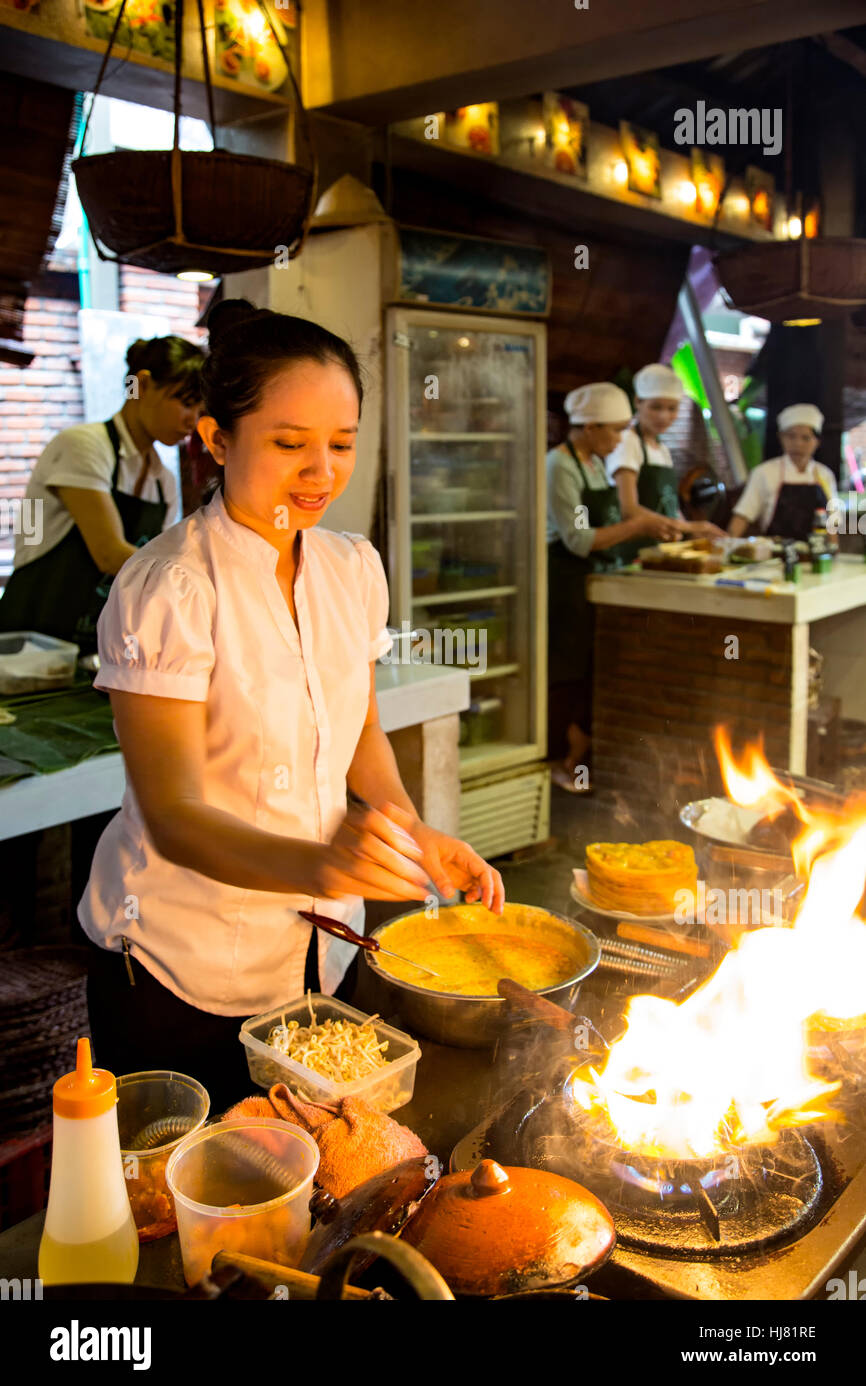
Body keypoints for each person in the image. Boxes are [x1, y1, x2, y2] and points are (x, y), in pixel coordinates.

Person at [79, 299, 504, 1110]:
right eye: (288, 444)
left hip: (315, 947)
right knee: (190, 1202)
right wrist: (315, 863)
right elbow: (171, 815)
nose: (321, 472)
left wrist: (414, 837)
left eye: (341, 444)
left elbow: (360, 732)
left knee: (303, 1182)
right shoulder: (168, 587)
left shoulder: (353, 568)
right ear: (216, 439)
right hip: (179, 963)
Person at [0, 336, 204, 653]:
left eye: (200, 410)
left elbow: (150, 573)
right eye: (185, 402)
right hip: (31, 643)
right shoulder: (82, 445)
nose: (192, 421)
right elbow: (108, 553)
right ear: (144, 384)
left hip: (96, 649)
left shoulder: (162, 480)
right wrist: (198, 581)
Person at [546, 382, 682, 792]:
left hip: (593, 579)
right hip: (564, 583)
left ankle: (578, 759)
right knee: (567, 674)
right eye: (616, 429)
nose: (622, 437)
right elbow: (580, 539)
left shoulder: (591, 463)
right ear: (590, 427)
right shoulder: (561, 465)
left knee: (590, 671)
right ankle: (558, 762)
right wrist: (637, 525)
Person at [607, 362, 724, 543]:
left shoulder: (662, 449)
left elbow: (670, 506)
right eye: (656, 407)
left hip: (661, 547)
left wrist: (690, 533)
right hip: (633, 549)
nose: (664, 416)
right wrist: (689, 527)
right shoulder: (627, 442)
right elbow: (628, 508)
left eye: (672, 408)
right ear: (638, 402)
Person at [728, 403, 837, 540]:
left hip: (815, 554)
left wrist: (834, 554)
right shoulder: (764, 472)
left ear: (817, 441)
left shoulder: (825, 475)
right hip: (775, 554)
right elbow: (742, 516)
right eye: (791, 436)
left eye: (806, 438)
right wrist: (728, 545)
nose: (798, 444)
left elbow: (832, 523)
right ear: (781, 437)